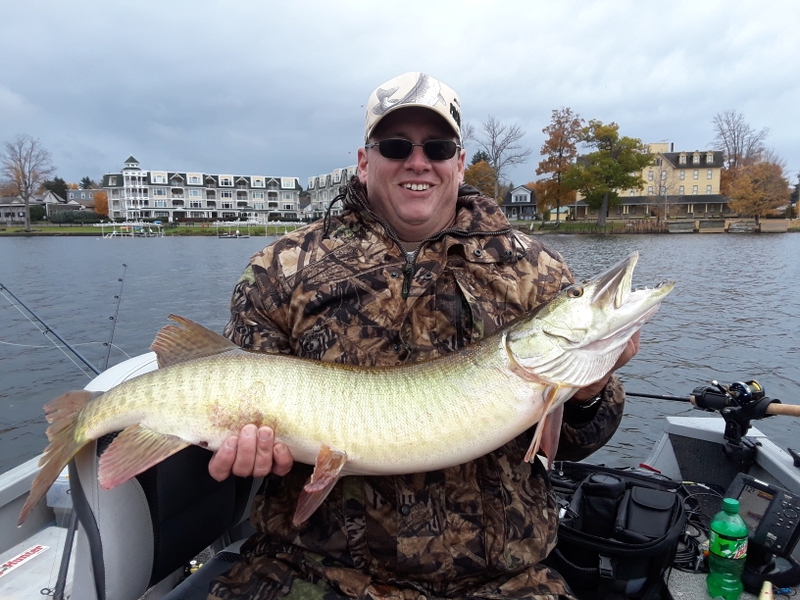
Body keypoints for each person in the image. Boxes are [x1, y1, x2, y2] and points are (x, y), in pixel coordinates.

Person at [206, 72, 638, 600]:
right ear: (364, 161)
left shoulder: (535, 270)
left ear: (459, 162)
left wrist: (589, 389)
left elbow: (582, 441)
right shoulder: (281, 268)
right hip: (312, 571)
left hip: (502, 581)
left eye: (437, 147)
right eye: (395, 146)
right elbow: (243, 392)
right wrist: (248, 443)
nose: (418, 162)